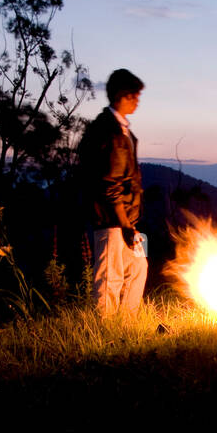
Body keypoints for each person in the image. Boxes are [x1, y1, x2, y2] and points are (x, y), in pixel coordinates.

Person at [77, 69, 147, 316]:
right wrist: (125, 223)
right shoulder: (110, 131)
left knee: (138, 266)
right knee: (109, 277)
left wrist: (130, 222)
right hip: (111, 219)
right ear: (121, 96)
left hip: (124, 218)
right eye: (134, 96)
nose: (137, 101)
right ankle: (106, 333)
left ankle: (127, 325)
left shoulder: (122, 130)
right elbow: (110, 184)